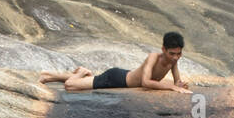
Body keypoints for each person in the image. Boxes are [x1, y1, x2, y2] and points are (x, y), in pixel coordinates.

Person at [38, 31, 192, 94]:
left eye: (179, 54)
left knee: (84, 82)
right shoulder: (153, 57)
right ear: (163, 49)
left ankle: (49, 76)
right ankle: (81, 72)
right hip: (116, 78)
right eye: (172, 54)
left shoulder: (173, 61)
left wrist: (179, 85)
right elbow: (145, 82)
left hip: (122, 78)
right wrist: (170, 86)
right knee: (70, 86)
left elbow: (177, 81)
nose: (175, 57)